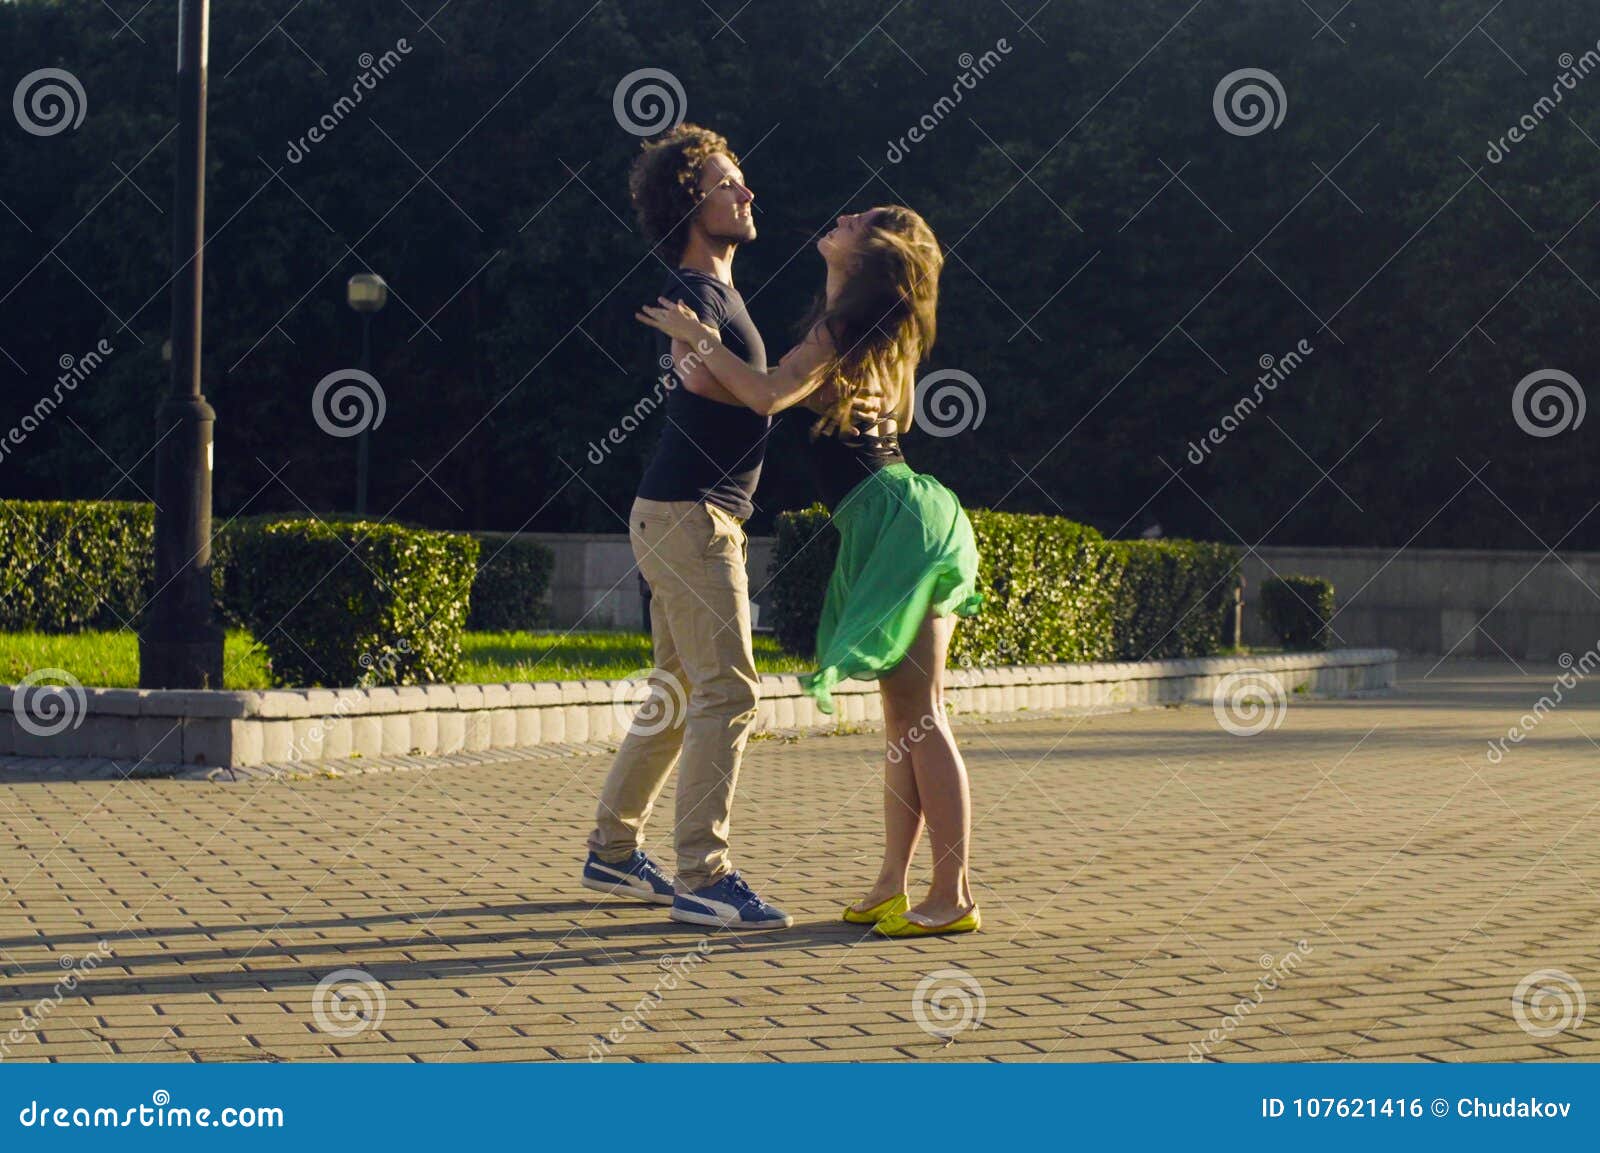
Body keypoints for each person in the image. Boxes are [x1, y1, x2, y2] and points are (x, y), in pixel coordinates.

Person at [636, 204, 984, 938]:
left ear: (874, 251)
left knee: (921, 716)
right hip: (898, 516)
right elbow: (892, 417)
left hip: (897, 523)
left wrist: (701, 341)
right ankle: (893, 883)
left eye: (859, 219)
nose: (843, 216)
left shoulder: (845, 330)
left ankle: (951, 891)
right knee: (902, 719)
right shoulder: (870, 330)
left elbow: (765, 394)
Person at [581, 124, 793, 930]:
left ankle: (611, 850)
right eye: (726, 183)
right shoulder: (698, 296)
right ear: (690, 202)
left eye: (741, 181)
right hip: (693, 517)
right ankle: (705, 874)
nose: (746, 193)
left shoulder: (715, 294)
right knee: (728, 690)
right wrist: (705, 359)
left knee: (677, 693)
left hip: (674, 513)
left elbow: (747, 384)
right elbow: (699, 370)